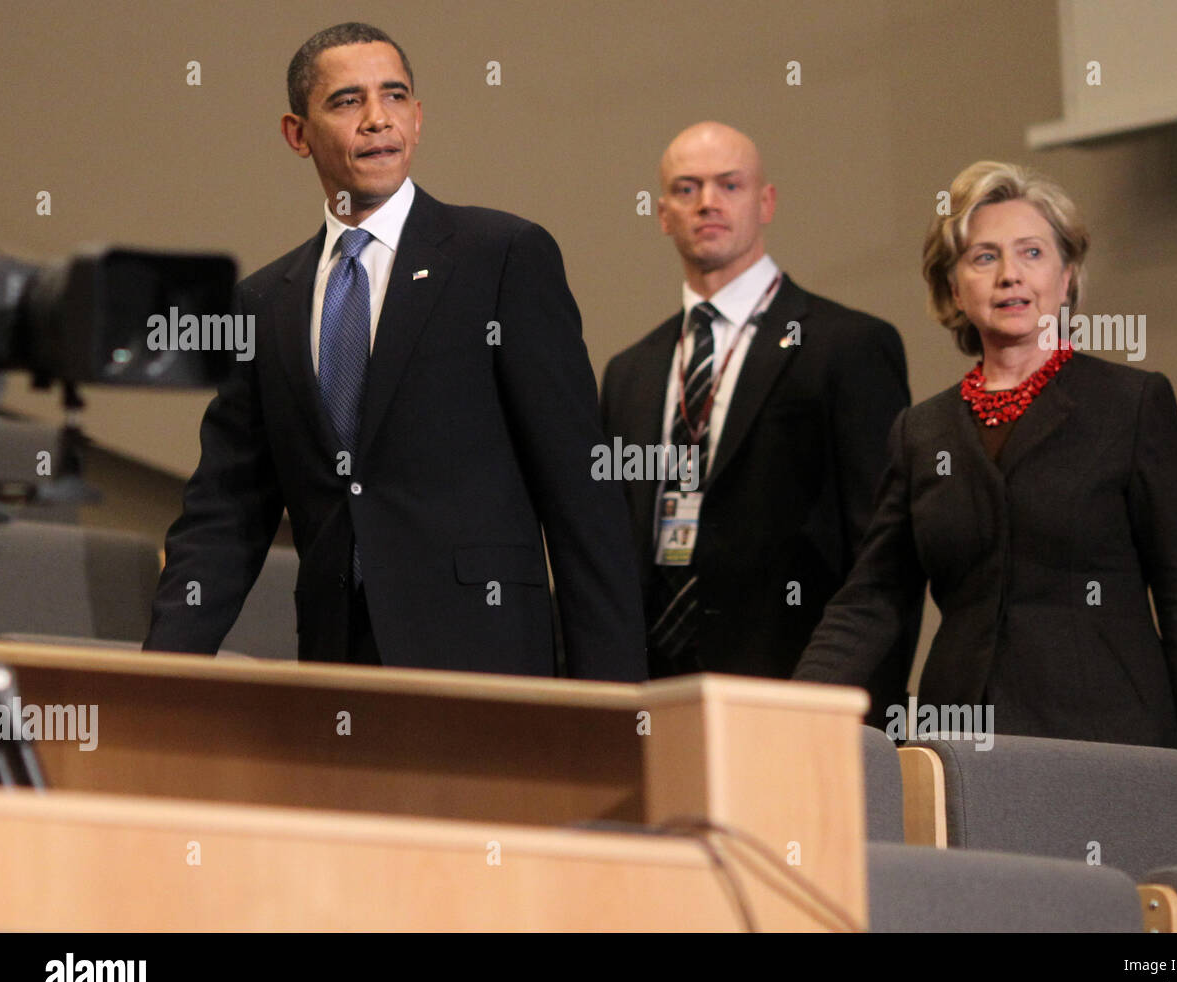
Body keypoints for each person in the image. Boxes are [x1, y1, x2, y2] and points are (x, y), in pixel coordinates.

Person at [144, 23, 647, 680]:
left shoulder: (500, 257)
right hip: (339, 664)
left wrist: (611, 698)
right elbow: (227, 509)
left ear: (418, 117)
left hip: (484, 660)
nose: (377, 119)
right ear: (297, 134)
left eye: (395, 96)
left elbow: (581, 491)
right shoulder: (263, 302)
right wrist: (159, 670)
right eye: (348, 101)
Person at [794, 160, 1177, 770]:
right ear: (953, 289)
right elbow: (871, 600)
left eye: (1031, 253)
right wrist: (794, 710)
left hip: (1113, 746)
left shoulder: (1131, 405)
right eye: (983, 257)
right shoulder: (921, 433)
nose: (1010, 275)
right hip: (962, 753)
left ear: (1067, 277)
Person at [601, 122, 914, 683]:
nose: (708, 203)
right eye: (686, 188)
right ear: (663, 213)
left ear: (765, 202)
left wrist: (856, 714)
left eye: (730, 185)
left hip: (797, 683)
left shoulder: (847, 345)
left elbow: (885, 556)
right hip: (657, 692)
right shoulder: (631, 371)